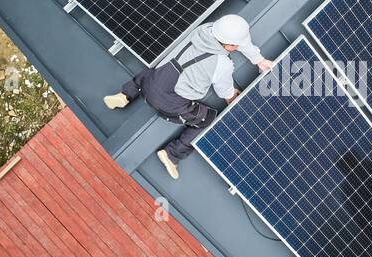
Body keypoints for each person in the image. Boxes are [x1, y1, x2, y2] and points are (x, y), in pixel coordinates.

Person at [103, 15, 272, 179]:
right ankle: (172, 154)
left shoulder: (204, 29)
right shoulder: (222, 64)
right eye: (237, 45)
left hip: (150, 82)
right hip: (168, 101)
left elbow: (236, 41)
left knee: (153, 71)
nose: (239, 47)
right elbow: (224, 91)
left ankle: (125, 94)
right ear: (228, 45)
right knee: (207, 120)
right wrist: (232, 98)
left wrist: (259, 59)